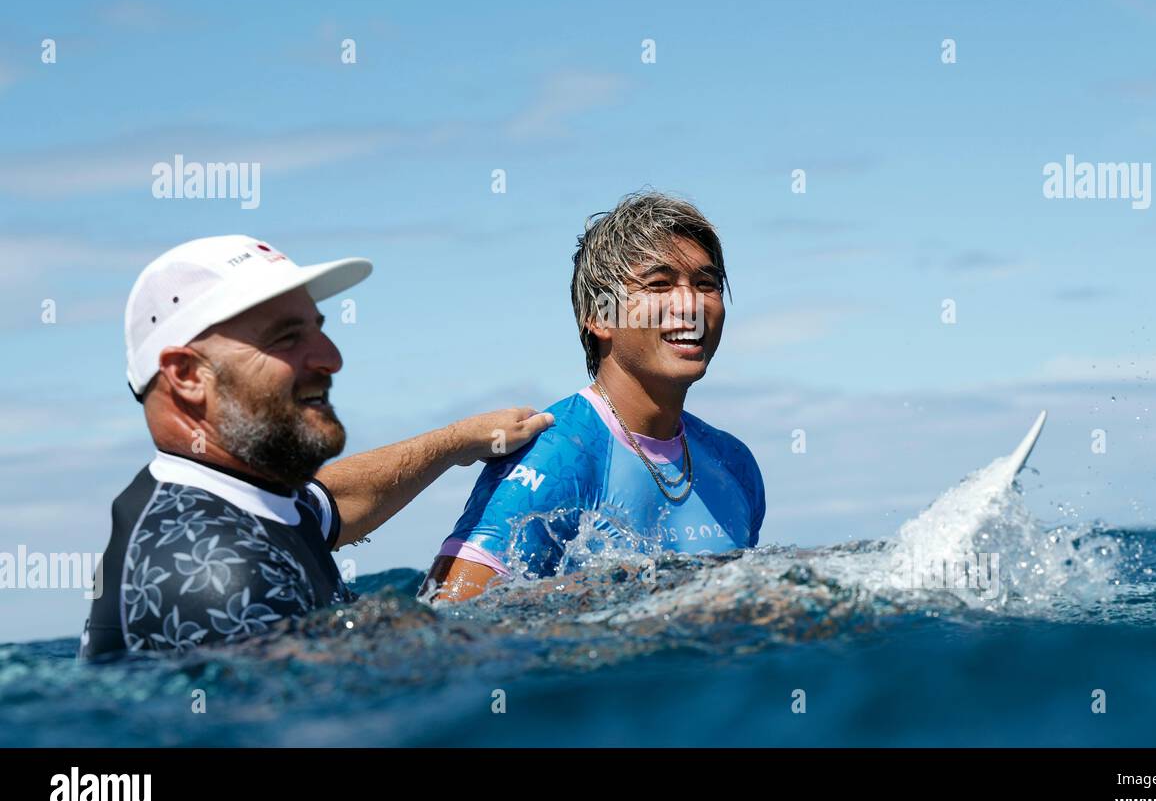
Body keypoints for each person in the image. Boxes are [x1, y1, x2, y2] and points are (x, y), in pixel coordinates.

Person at [81, 235, 552, 658]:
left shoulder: (235, 499)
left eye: (317, 328)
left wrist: (458, 441)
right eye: (286, 338)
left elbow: (332, 501)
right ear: (187, 376)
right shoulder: (217, 578)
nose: (332, 358)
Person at [421, 191, 765, 602]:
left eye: (705, 284)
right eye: (659, 284)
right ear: (601, 316)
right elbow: (449, 621)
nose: (689, 304)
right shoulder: (554, 456)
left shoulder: (735, 464)